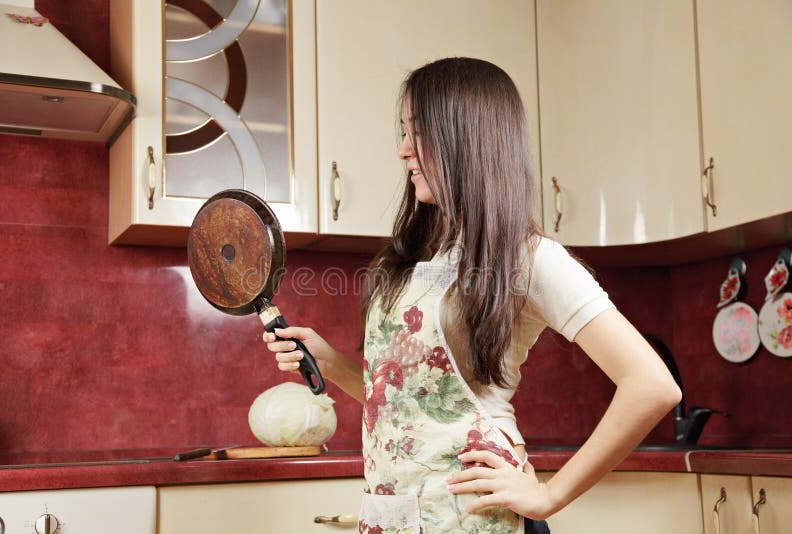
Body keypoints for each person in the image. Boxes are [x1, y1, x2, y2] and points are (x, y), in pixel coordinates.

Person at [263, 57, 681, 533]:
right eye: (402, 131)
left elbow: (652, 384)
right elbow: (413, 408)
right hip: (391, 517)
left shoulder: (529, 258)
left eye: (417, 131)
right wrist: (331, 362)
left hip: (476, 520)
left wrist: (549, 495)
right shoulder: (406, 259)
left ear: (467, 138)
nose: (402, 150)